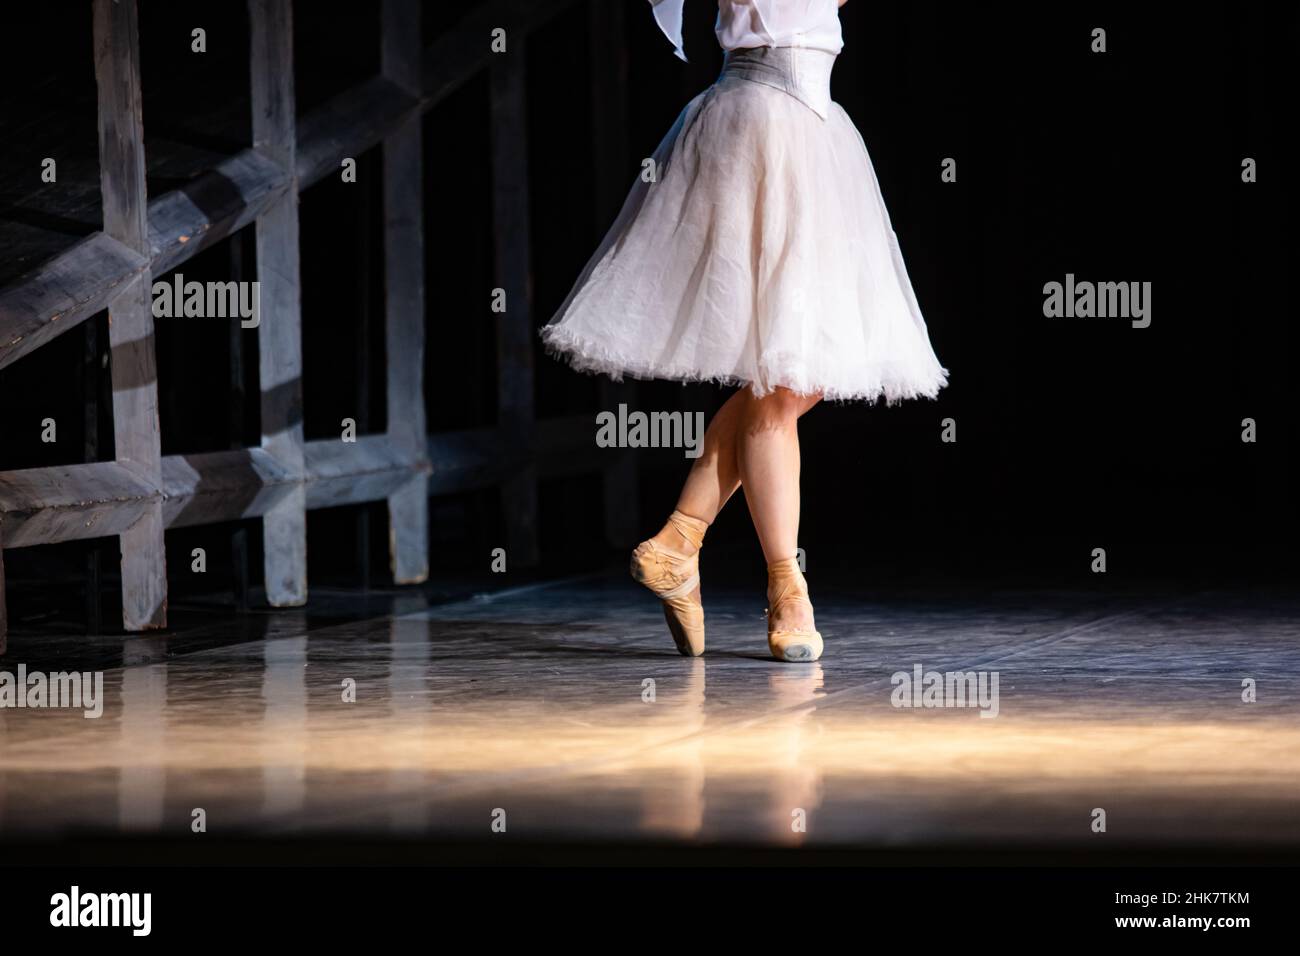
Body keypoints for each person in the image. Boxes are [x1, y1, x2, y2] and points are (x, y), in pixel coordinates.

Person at [541, 0, 948, 662]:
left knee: (799, 376)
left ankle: (680, 541)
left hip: (812, 125)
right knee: (784, 380)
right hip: (763, 121)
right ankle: (786, 588)